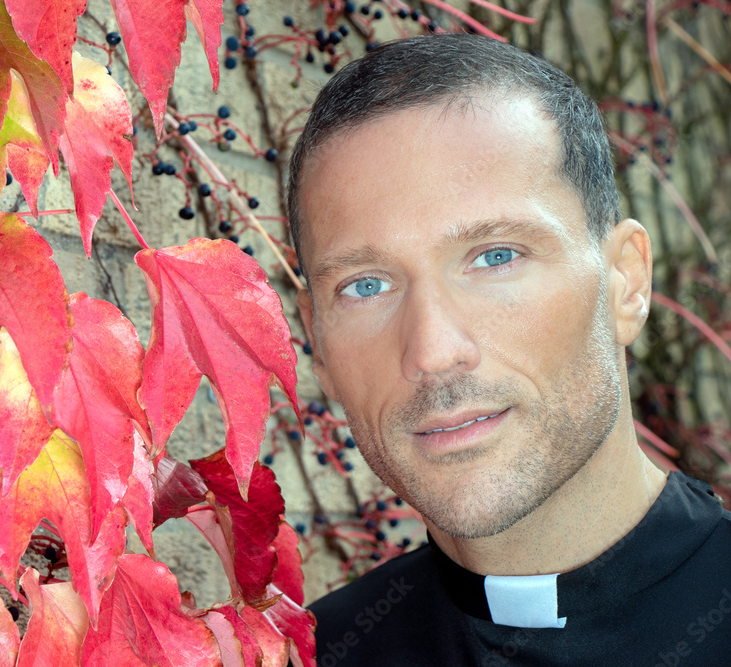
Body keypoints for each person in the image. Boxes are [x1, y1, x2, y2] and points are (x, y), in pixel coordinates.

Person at [288, 33, 731, 666]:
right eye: (366, 286)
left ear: (625, 284)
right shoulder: (307, 654)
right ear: (317, 347)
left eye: (496, 256)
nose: (434, 351)